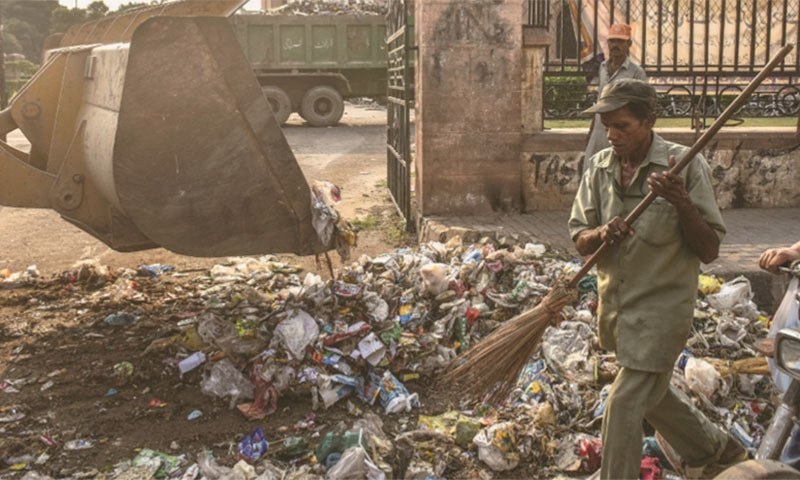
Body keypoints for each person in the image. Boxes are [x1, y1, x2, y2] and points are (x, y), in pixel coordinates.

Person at [568, 79, 747, 479]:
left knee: (624, 402)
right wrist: (601, 234)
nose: (611, 135)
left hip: (662, 313)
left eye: (622, 126)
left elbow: (709, 250)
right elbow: (580, 239)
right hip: (617, 310)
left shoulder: (683, 166)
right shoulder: (599, 169)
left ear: (650, 120)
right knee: (652, 395)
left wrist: (680, 201)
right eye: (606, 125)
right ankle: (717, 448)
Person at [584, 23, 647, 162]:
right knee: (592, 172)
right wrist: (591, 132)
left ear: (628, 44)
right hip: (600, 132)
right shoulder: (603, 67)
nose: (615, 45)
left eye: (620, 41)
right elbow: (601, 101)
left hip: (622, 135)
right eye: (612, 41)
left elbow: (643, 109)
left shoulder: (636, 72)